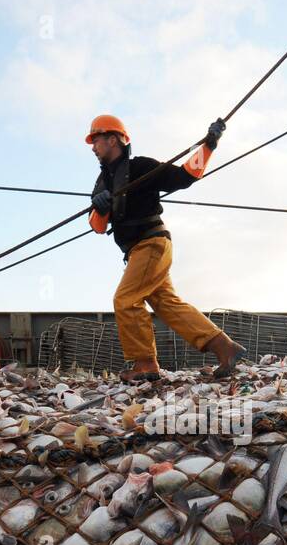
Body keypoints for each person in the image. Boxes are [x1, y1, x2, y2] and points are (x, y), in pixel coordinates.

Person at [87, 115, 246, 382]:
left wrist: (209, 145)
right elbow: (98, 226)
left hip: (151, 244)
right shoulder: (102, 183)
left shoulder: (141, 168)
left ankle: (145, 364)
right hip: (139, 251)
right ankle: (225, 347)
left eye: (96, 140)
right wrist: (99, 207)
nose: (93, 147)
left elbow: (184, 176)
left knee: (126, 300)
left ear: (113, 139)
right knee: (166, 303)